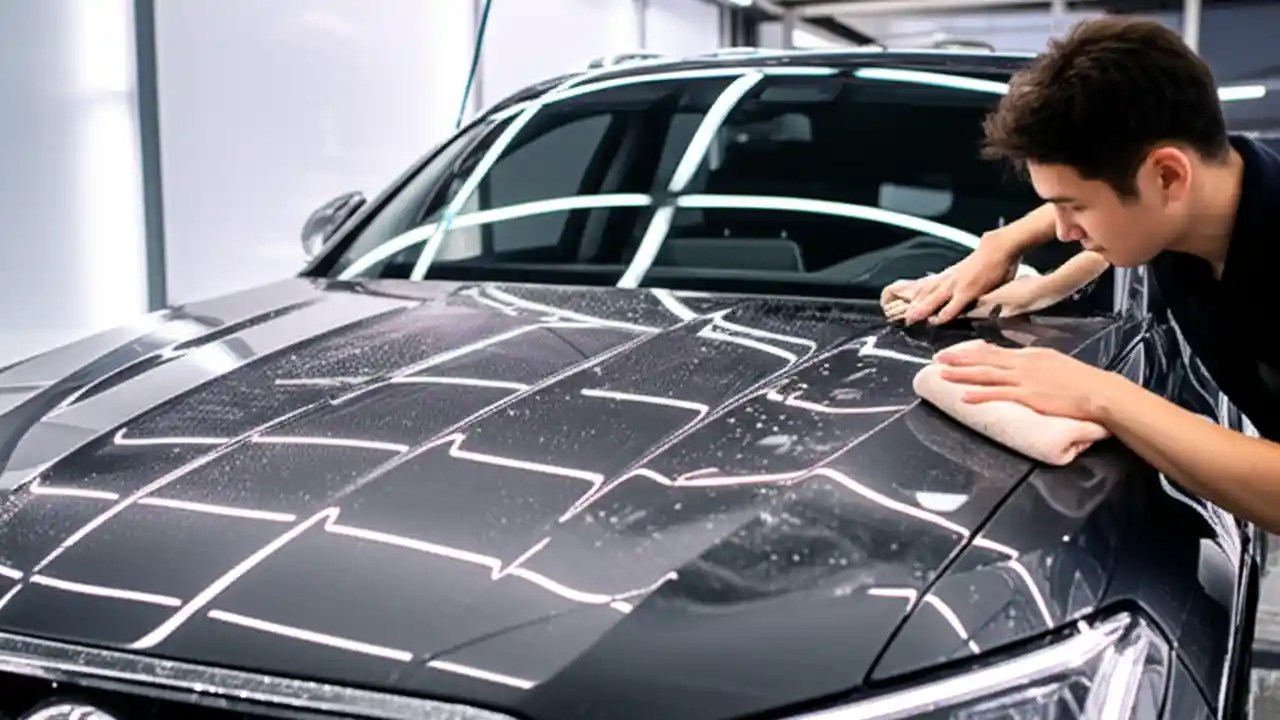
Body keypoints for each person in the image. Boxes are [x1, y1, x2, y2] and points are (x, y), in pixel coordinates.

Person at [882, 16, 1280, 532]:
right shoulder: (1192, 200)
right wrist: (1005, 245)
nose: (1067, 231)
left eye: (1076, 208)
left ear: (1167, 176)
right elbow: (1097, 198)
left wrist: (1103, 395)